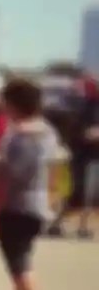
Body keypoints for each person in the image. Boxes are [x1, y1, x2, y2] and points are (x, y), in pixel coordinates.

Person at [0, 78, 60, 290]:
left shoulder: (16, 134)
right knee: (24, 263)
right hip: (38, 205)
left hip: (16, 206)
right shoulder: (48, 132)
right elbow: (53, 170)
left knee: (20, 267)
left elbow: (6, 176)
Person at [47, 74, 99, 239]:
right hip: (84, 156)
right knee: (83, 192)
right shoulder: (83, 107)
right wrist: (87, 134)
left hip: (94, 155)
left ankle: (68, 225)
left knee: (88, 193)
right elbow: (76, 132)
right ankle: (78, 227)